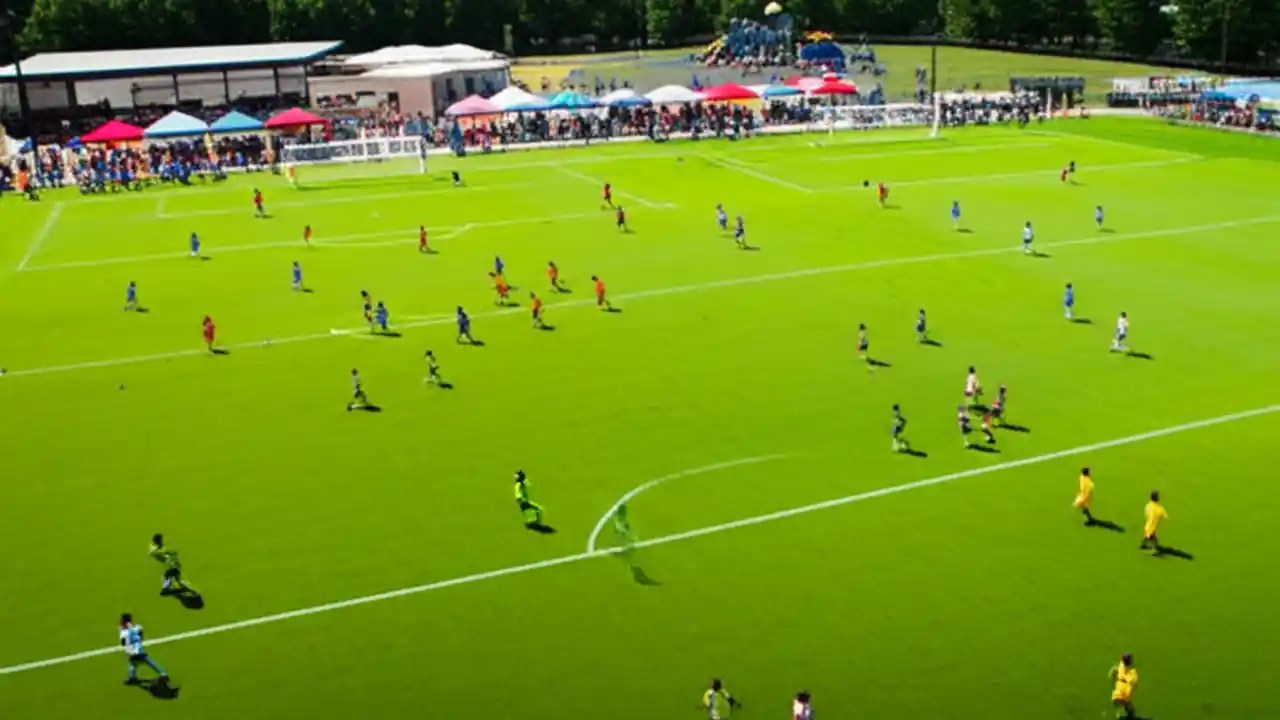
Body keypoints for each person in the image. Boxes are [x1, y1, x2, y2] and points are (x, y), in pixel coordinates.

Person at [119, 613, 168, 686]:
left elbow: (123, 642)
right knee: (137, 662)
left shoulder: (124, 631)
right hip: (138, 648)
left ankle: (162, 674)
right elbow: (141, 637)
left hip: (132, 650)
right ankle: (162, 674)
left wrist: (127, 649)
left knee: (135, 662)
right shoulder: (137, 627)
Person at [1109, 653, 1139, 719]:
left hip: (1116, 696)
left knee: (1127, 712)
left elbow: (1114, 671)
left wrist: (1113, 674)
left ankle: (1122, 713)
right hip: (1125, 697)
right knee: (1131, 712)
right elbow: (1135, 683)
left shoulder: (1121, 666)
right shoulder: (1133, 673)